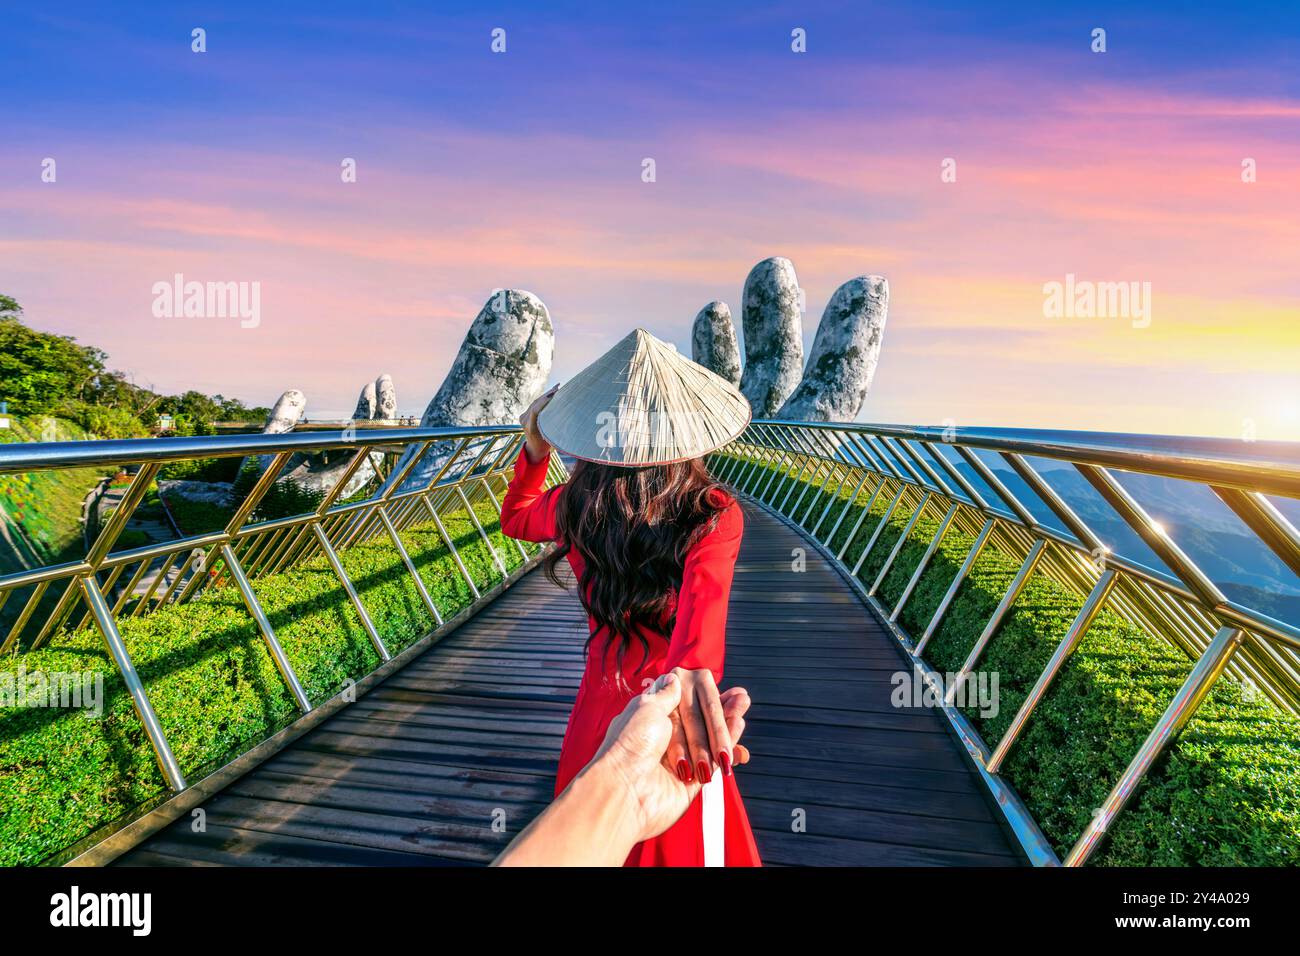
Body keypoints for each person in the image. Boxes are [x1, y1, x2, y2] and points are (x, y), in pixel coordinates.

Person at [500, 327, 760, 866]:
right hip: (668, 713)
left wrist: (534, 449)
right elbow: (699, 636)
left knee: (589, 827)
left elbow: (516, 519)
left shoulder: (575, 503)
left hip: (600, 700)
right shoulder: (711, 512)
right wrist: (689, 705)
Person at [494, 672, 751, 866]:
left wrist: (623, 786)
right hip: (669, 722)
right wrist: (689, 666)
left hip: (609, 713)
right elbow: (698, 628)